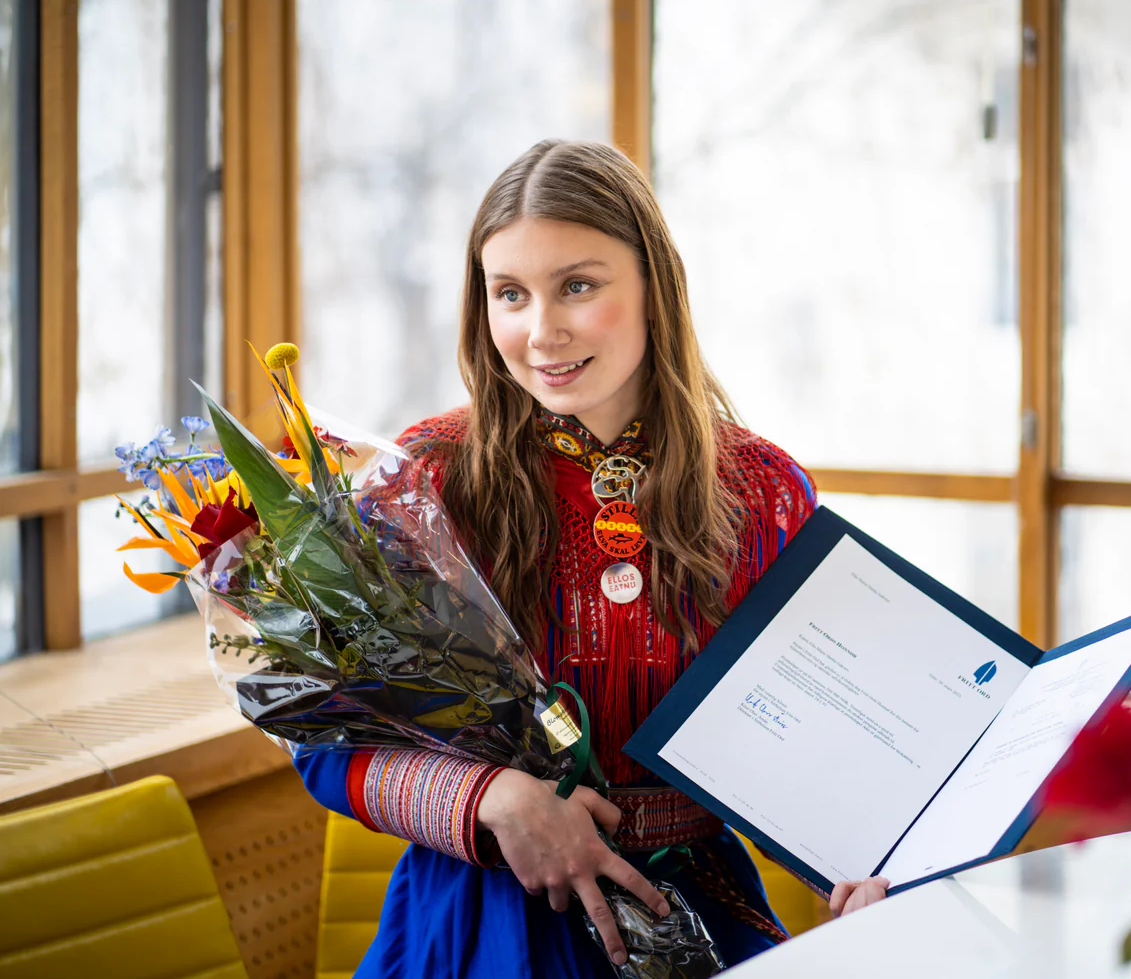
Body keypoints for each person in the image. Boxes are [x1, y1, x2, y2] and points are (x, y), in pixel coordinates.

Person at [292, 139, 888, 978]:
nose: (542, 333)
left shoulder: (765, 491)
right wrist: (491, 798)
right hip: (480, 926)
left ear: (653, 285)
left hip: (699, 916)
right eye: (510, 294)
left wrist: (861, 857)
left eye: (578, 285)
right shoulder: (423, 482)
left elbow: (815, 731)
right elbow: (321, 740)